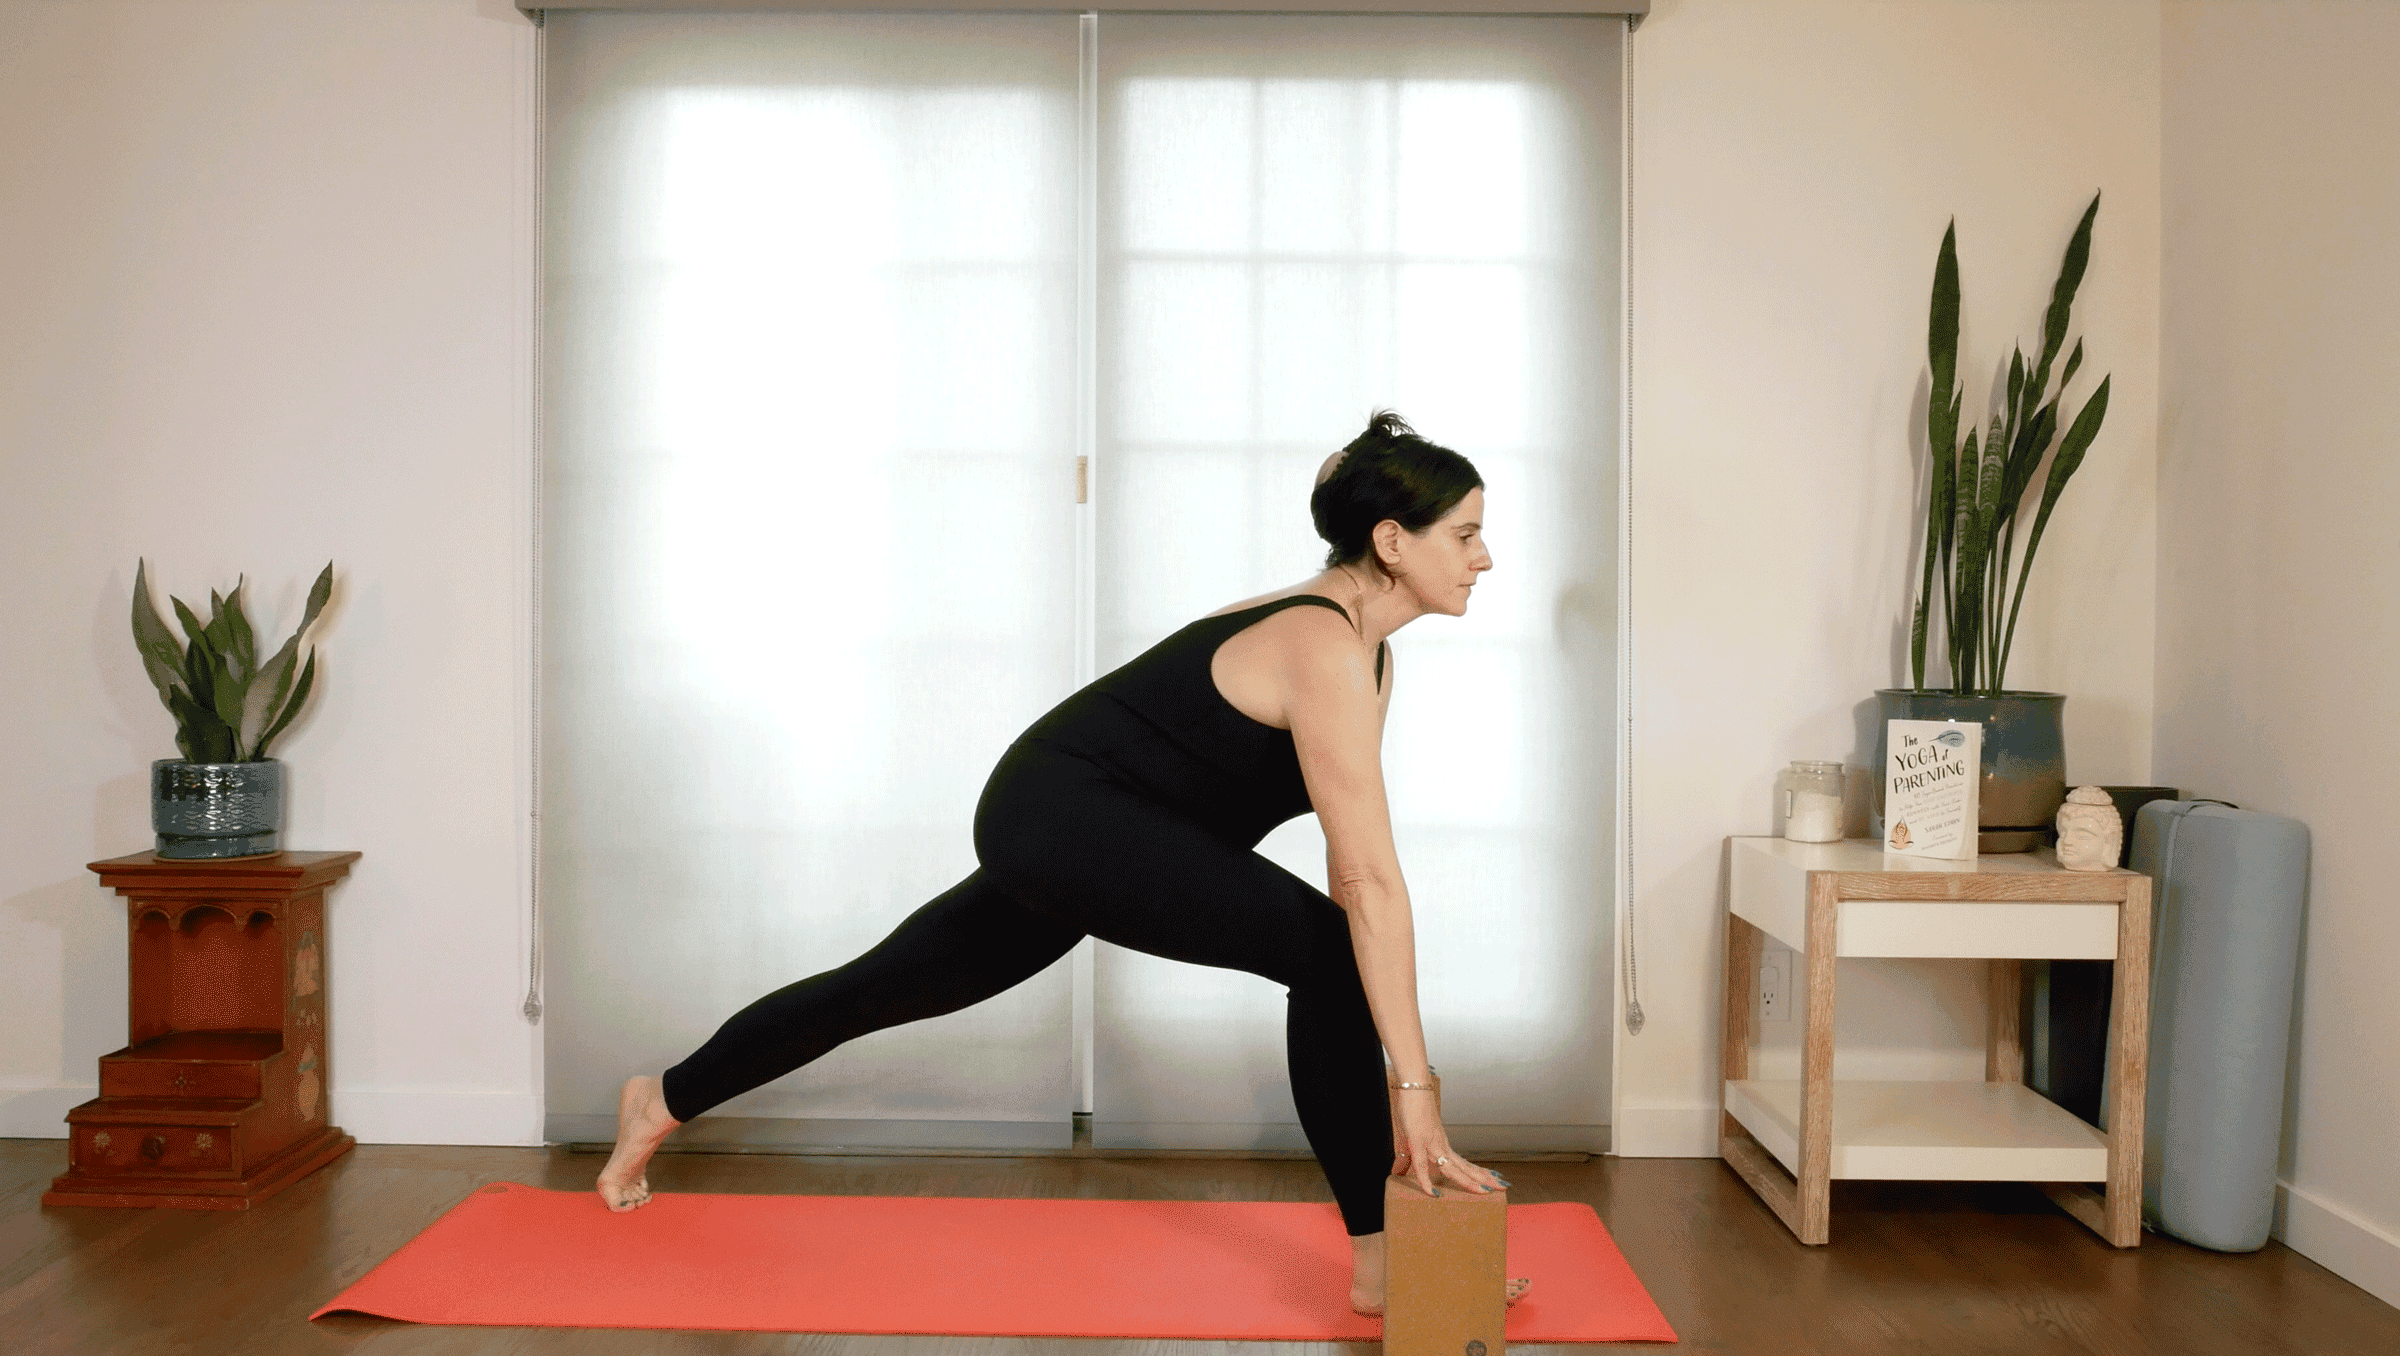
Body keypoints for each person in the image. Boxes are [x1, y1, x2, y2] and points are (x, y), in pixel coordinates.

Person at [596, 411, 1528, 1314]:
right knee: (1325, 952)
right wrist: (1415, 1089)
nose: (1484, 558)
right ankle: (1381, 1261)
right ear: (1394, 542)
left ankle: (664, 1098)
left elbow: (1351, 864)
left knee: (880, 987)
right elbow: (1367, 889)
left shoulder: (1368, 657)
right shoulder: (1320, 641)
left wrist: (1397, 1059)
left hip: (1098, 830)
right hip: (1058, 816)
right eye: (1467, 534)